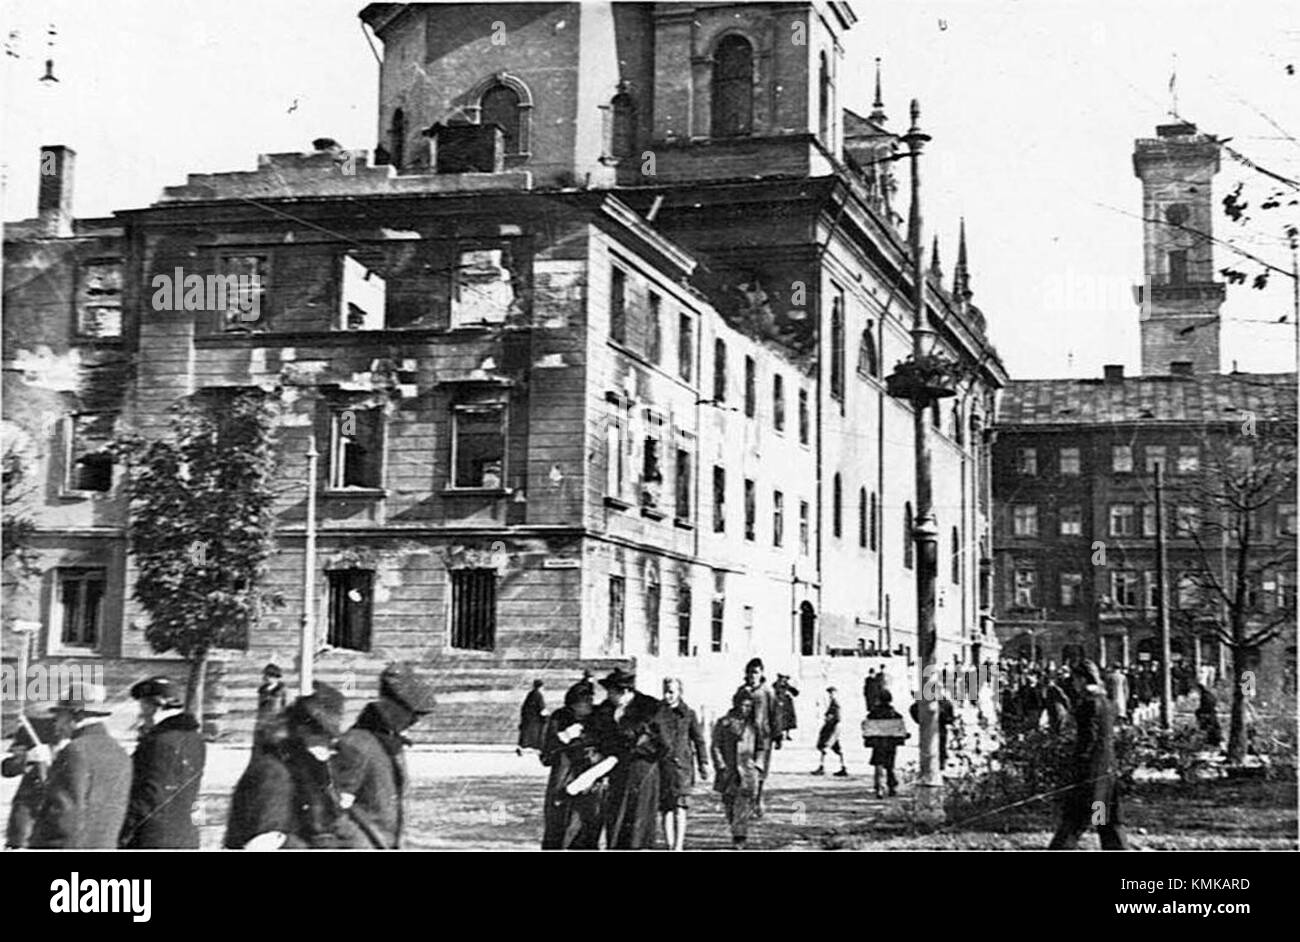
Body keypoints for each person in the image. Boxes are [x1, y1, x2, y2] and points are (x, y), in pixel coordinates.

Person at [224, 682, 348, 850]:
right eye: (323, 734)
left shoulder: (308, 768)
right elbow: (262, 842)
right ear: (302, 730)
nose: (330, 743)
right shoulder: (275, 771)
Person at [332, 663, 437, 849]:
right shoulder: (356, 744)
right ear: (388, 705)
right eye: (411, 714)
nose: (415, 722)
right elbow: (332, 811)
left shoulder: (391, 743)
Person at [30, 685, 132, 849]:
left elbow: (63, 815)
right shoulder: (119, 752)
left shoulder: (76, 750)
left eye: (60, 716)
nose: (56, 723)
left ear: (75, 716)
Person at [1048, 660, 1128, 850]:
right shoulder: (1108, 704)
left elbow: (1088, 741)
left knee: (1075, 821)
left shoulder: (1088, 705)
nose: (1073, 684)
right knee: (1104, 821)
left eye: (1074, 680)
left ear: (1082, 680)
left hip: (1089, 776)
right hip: (1106, 773)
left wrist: (1077, 769)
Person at [120, 676, 206, 849]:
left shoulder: (158, 742)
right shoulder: (196, 739)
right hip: (186, 835)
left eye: (144, 706)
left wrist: (123, 833)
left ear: (157, 706)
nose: (142, 714)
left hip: (154, 838)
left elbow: (149, 796)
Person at [586, 668, 664, 849]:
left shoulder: (650, 709)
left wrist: (637, 747)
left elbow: (663, 744)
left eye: (612, 692)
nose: (609, 695)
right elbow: (597, 736)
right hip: (615, 769)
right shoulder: (606, 710)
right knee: (616, 816)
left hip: (641, 770)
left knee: (637, 817)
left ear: (625, 692)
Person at [539, 681, 604, 849]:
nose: (590, 703)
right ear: (574, 704)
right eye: (585, 701)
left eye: (591, 699)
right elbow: (546, 757)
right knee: (560, 827)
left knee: (587, 827)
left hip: (590, 781)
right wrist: (564, 738)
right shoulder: (559, 718)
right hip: (563, 779)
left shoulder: (597, 717)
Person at [655, 678, 709, 851]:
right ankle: (670, 845)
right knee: (666, 809)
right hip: (662, 767)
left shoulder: (688, 714)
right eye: (665, 691)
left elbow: (699, 740)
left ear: (679, 693)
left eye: (671, 692)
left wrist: (703, 763)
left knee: (680, 807)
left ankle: (678, 846)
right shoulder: (656, 714)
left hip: (682, 767)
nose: (667, 695)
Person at [711, 688, 762, 849]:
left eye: (748, 706)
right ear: (736, 704)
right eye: (742, 705)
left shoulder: (754, 725)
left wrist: (758, 764)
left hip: (747, 771)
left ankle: (740, 837)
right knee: (729, 805)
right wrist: (720, 765)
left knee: (743, 804)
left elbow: (761, 747)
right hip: (728, 771)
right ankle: (736, 831)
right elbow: (715, 746)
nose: (745, 709)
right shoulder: (724, 723)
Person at [735, 657, 782, 817]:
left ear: (761, 673)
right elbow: (735, 711)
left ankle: (759, 800)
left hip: (763, 737)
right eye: (750, 672)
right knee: (747, 770)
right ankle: (748, 802)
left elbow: (775, 713)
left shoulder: (767, 691)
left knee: (761, 770)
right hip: (746, 737)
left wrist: (778, 734)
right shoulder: (742, 691)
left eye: (755, 672)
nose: (752, 675)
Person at [3, 716, 59, 849]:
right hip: (29, 809)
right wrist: (28, 758)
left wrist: (53, 757)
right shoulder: (34, 727)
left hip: (60, 809)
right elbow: (8, 768)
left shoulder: (85, 735)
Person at [865, 690, 905, 798]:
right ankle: (892, 787)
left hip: (878, 743)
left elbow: (867, 728)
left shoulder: (873, 713)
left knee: (878, 766)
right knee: (890, 766)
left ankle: (879, 788)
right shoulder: (894, 713)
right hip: (890, 743)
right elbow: (900, 729)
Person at [813, 686, 848, 777]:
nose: (830, 695)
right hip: (833, 727)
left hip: (833, 728)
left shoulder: (836, 703)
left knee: (824, 746)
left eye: (832, 693)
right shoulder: (833, 703)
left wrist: (830, 718)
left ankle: (822, 767)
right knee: (837, 748)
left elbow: (837, 717)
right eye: (829, 693)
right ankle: (843, 767)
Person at [254, 663, 287, 752]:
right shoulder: (263, 690)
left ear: (275, 677)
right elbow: (260, 706)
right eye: (266, 675)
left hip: (276, 719)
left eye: (269, 676)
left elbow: (286, 705)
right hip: (263, 719)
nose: (266, 678)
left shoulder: (282, 690)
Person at [517, 679, 546, 756]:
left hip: (527, 717)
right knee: (538, 733)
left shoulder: (531, 693)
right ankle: (539, 748)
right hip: (535, 718)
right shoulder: (538, 695)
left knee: (526, 734)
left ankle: (521, 748)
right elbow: (541, 707)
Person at [772, 674, 800, 746]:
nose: (784, 680)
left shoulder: (787, 685)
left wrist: (792, 692)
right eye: (783, 679)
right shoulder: (776, 685)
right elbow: (776, 694)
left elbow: (795, 693)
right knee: (779, 720)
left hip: (787, 705)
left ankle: (787, 734)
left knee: (788, 719)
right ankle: (779, 736)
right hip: (779, 705)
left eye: (785, 679)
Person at [1194, 682, 1222, 748]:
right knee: (1213, 726)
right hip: (1212, 713)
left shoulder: (1204, 696)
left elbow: (1204, 706)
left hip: (1208, 713)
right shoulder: (1209, 694)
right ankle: (1214, 741)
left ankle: (1210, 741)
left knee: (1208, 727)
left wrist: (1200, 713)